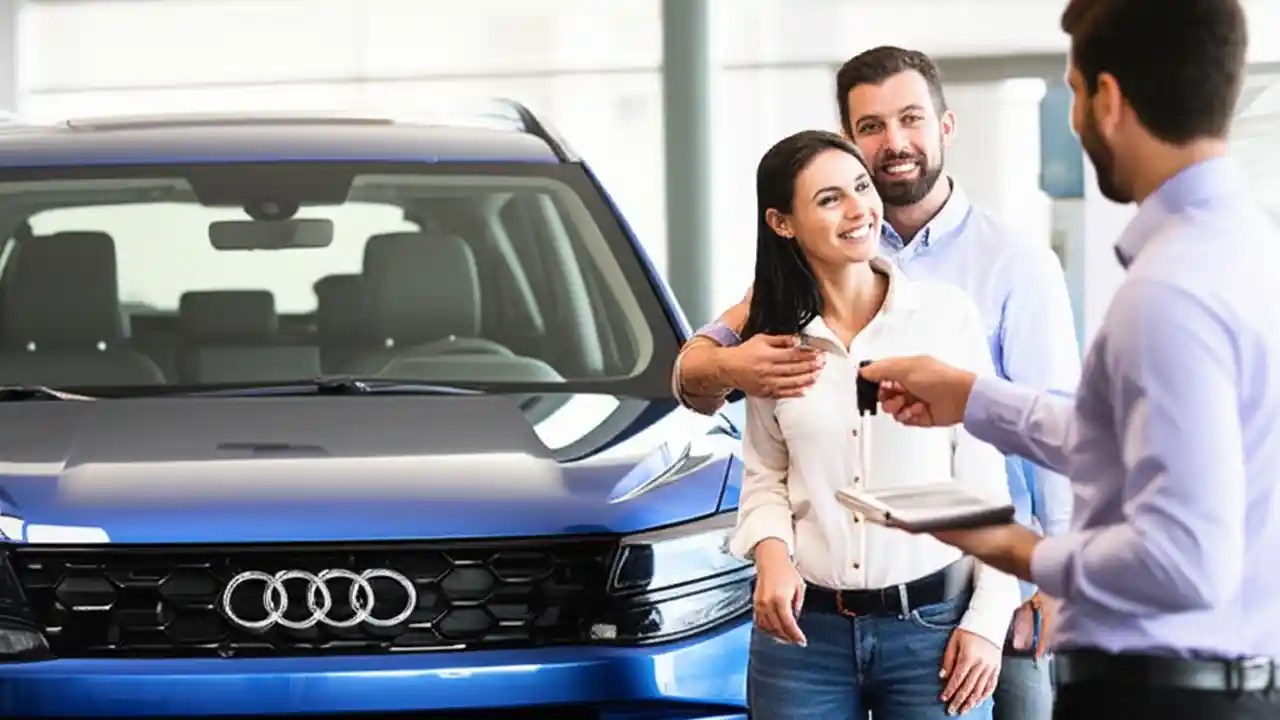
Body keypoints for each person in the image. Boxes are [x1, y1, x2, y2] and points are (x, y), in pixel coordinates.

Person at [857, 1, 1280, 718]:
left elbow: (1181, 563)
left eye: (1075, 92)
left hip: (1161, 696)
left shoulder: (1168, 289)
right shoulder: (1246, 246)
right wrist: (976, 397)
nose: (1076, 118)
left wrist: (1013, 548)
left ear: (1107, 99)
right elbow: (1140, 444)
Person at [673, 46, 1079, 718]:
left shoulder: (992, 278)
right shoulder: (782, 315)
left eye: (911, 119)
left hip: (972, 584)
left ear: (944, 126)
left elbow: (1043, 430)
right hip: (813, 625)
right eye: (871, 129)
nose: (894, 144)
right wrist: (730, 366)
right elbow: (703, 380)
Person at [729, 127, 1021, 720]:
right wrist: (772, 555)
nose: (860, 208)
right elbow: (765, 477)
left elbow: (987, 482)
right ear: (782, 223)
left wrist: (988, 622)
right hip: (802, 642)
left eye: (861, 186)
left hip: (933, 636)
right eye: (829, 198)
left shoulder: (943, 317)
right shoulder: (773, 342)